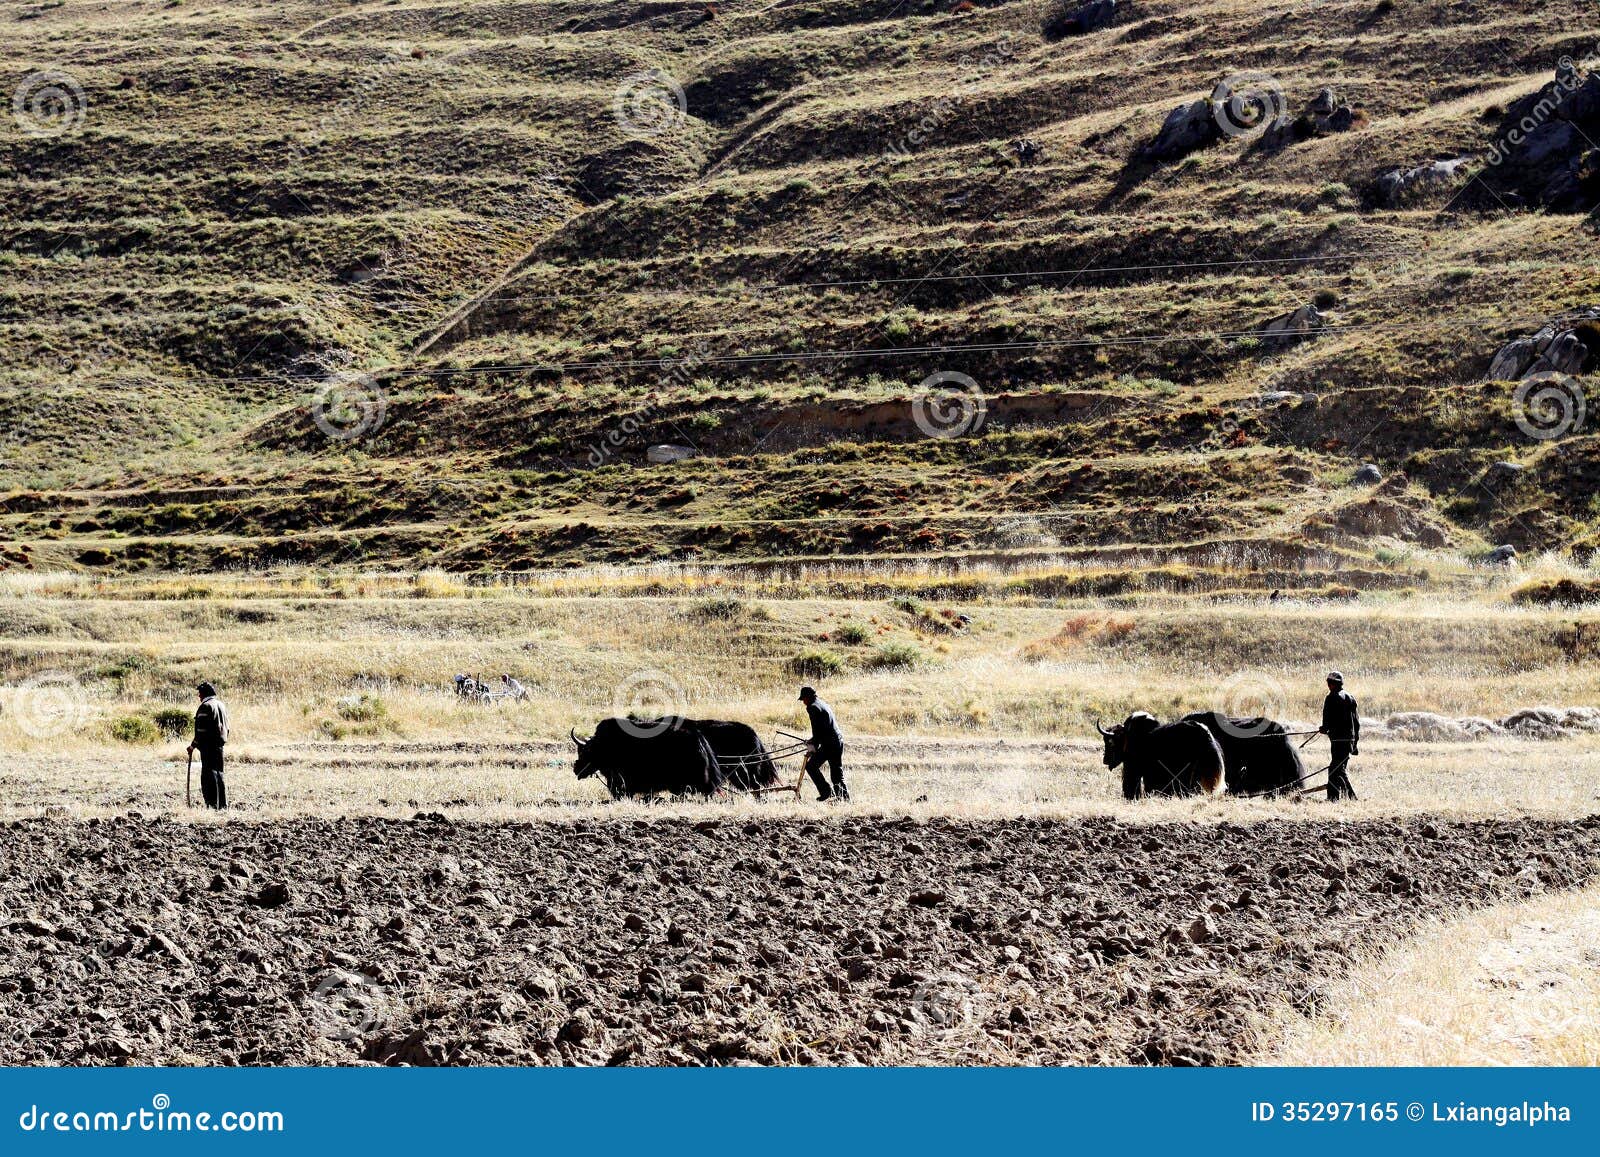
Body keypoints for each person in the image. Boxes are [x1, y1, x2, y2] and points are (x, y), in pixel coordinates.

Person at [798, 685, 848, 802]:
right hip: (837, 741)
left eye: (803, 699)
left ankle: (826, 792)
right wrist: (813, 740)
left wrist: (813, 745)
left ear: (808, 698)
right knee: (837, 772)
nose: (803, 702)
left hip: (830, 744)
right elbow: (823, 728)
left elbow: (817, 730)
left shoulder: (812, 707)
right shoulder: (822, 703)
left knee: (811, 766)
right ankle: (844, 798)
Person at [187, 681, 230, 810]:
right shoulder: (221, 705)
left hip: (208, 746)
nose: (198, 696)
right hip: (219, 745)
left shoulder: (205, 706)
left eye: (199, 693)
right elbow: (227, 727)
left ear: (204, 693)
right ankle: (222, 805)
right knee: (219, 774)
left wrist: (193, 746)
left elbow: (201, 731)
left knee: (208, 776)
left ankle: (212, 805)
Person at [1318, 671, 1359, 801]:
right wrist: (1355, 743)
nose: (1328, 685)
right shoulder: (1350, 697)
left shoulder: (1331, 697)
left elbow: (1326, 722)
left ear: (1331, 684)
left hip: (1338, 740)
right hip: (1349, 739)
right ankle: (1344, 798)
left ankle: (1337, 798)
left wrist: (1324, 729)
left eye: (1329, 683)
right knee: (1338, 769)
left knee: (1335, 769)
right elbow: (1357, 723)